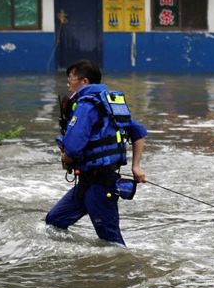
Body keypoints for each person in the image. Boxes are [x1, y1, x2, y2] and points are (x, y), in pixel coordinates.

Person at [45, 60, 147, 246]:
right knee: (54, 222)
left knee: (111, 242)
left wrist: (65, 157)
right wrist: (136, 167)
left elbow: (73, 148)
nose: (68, 84)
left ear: (84, 81)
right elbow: (139, 132)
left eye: (71, 79)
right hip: (87, 182)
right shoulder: (111, 102)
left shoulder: (85, 105)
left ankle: (123, 264)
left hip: (101, 185)